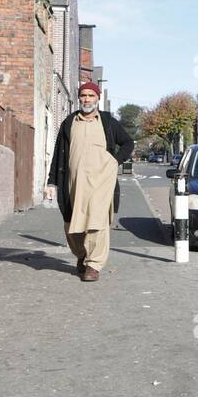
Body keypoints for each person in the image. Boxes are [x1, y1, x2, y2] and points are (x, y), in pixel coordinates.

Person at [46, 81, 134, 280]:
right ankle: (82, 254)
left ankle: (94, 265)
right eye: (83, 95)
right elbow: (58, 156)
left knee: (97, 222)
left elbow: (128, 143)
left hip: (101, 182)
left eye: (91, 96)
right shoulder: (69, 122)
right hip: (74, 183)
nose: (87, 99)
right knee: (71, 224)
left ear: (98, 98)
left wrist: (115, 161)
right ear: (79, 98)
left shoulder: (108, 122)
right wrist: (52, 182)